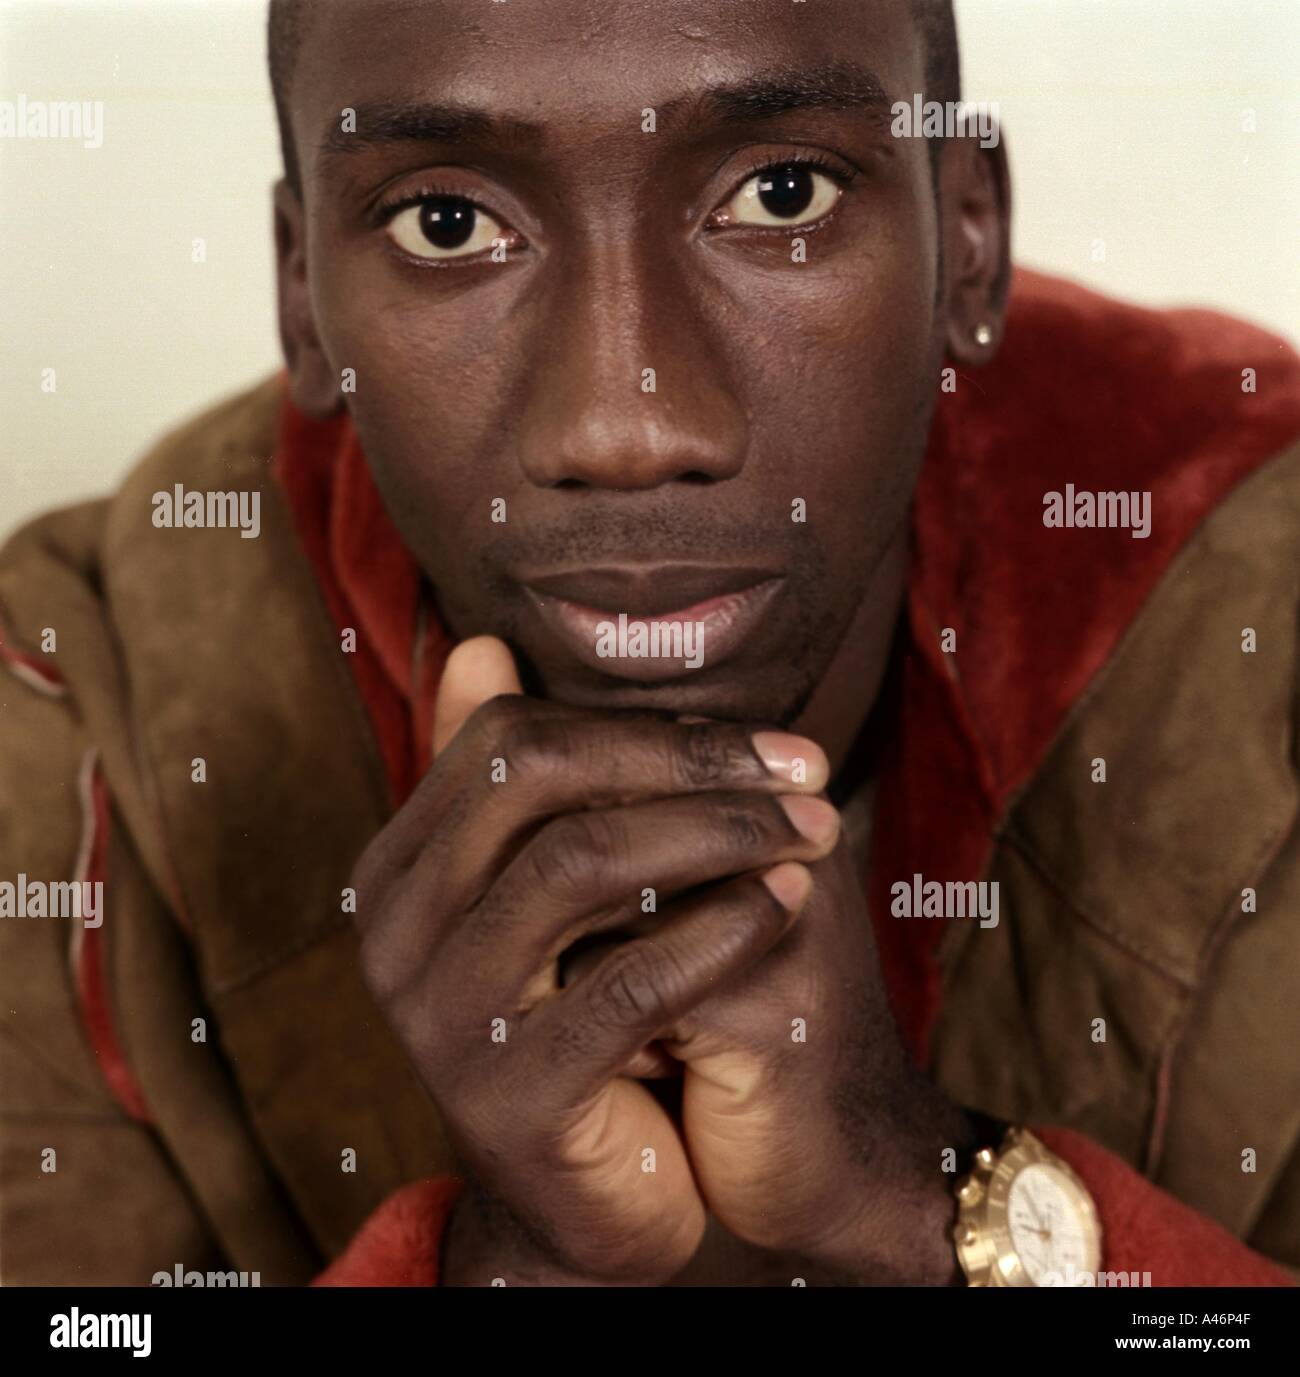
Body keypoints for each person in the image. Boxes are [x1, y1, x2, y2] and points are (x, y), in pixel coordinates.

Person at [1, 0, 1297, 1287]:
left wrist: (919, 1196)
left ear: (969, 233)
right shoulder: (82, 705)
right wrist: (503, 1266)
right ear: (303, 296)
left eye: (782, 193)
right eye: (446, 222)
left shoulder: (1261, 618)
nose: (623, 426)